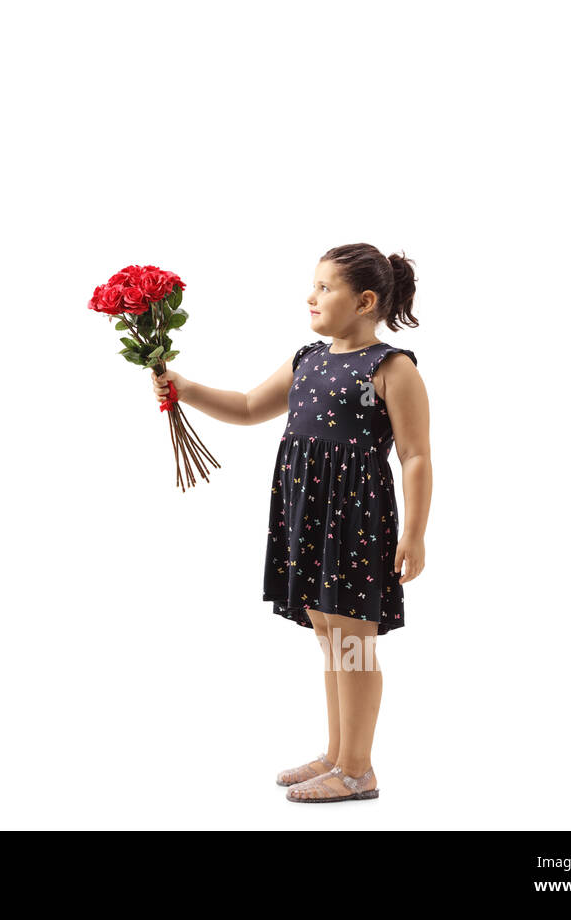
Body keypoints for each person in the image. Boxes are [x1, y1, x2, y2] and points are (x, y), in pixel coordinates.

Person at [152, 244, 430, 802]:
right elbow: (251, 405)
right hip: (308, 515)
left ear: (365, 300)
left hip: (355, 520)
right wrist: (185, 387)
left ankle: (358, 769)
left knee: (353, 642)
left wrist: (415, 534)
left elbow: (416, 455)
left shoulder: (391, 369)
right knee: (330, 637)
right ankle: (336, 753)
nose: (312, 296)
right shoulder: (309, 359)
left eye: (326, 288)